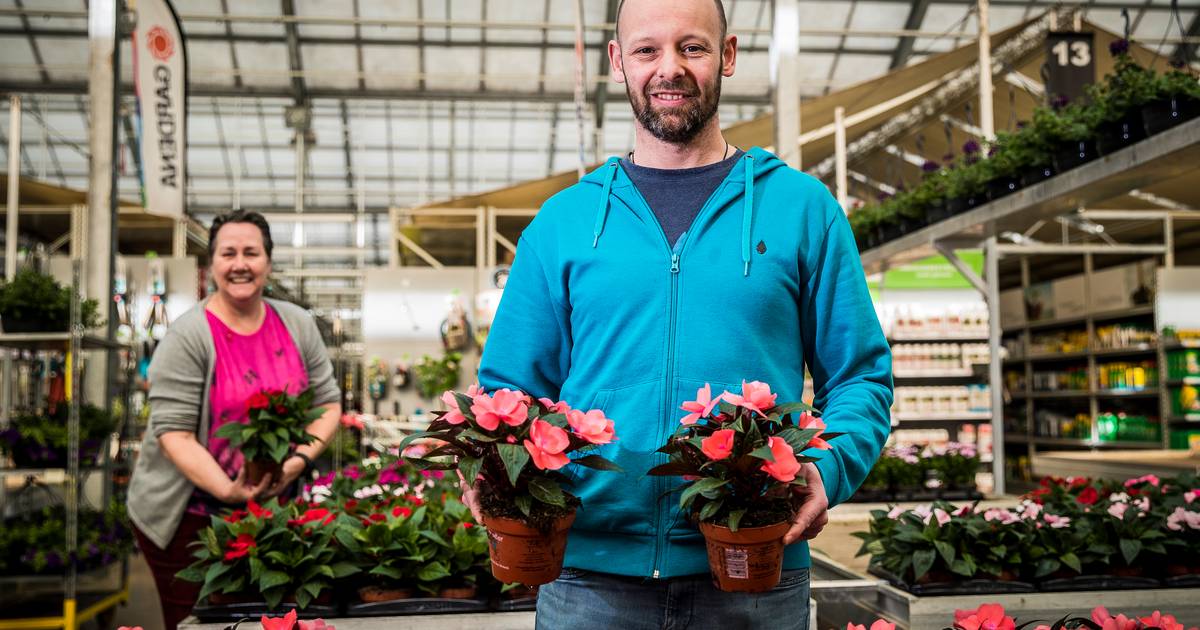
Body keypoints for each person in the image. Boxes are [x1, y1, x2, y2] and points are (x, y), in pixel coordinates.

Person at [473, 0, 893, 627]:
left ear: (727, 55)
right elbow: (510, 387)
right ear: (618, 62)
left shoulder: (802, 209)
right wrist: (490, 468)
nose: (669, 68)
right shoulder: (563, 224)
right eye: (647, 50)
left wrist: (827, 469)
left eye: (692, 47)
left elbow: (859, 374)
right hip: (591, 578)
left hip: (757, 566)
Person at [127, 210, 342, 630]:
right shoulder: (188, 335)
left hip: (271, 509)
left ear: (268, 262)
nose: (240, 263)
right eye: (228, 253)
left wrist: (295, 462)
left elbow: (328, 404)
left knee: (272, 620)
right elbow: (173, 433)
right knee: (200, 620)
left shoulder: (296, 324)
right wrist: (229, 489)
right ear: (211, 265)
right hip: (189, 514)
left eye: (251, 252)